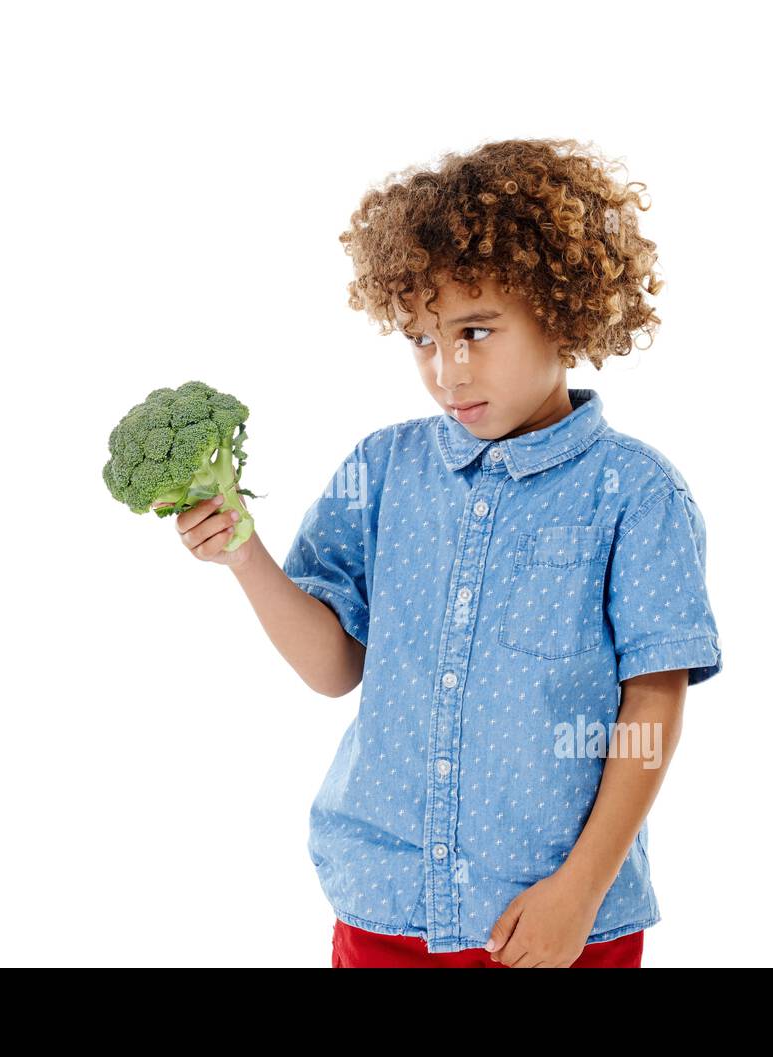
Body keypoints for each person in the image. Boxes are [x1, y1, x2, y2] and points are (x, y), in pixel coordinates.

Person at [161, 138, 723, 968]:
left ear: (561, 313)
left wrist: (581, 888)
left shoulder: (635, 495)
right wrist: (246, 554)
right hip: (384, 906)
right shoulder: (380, 472)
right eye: (422, 339)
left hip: (555, 920)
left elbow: (651, 711)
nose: (446, 369)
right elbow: (333, 668)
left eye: (476, 330)